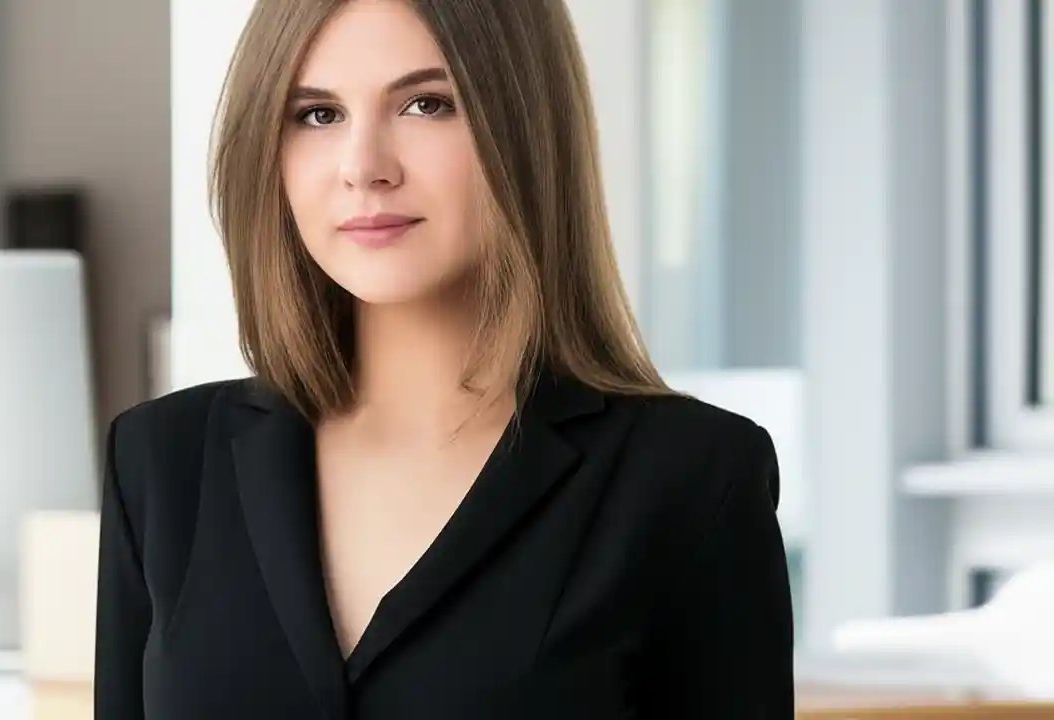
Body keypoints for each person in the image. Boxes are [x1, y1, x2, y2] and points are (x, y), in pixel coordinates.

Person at [94, 0, 794, 717]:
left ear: (524, 126)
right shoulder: (162, 461)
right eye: (317, 114)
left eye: (427, 104)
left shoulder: (692, 478)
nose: (363, 167)